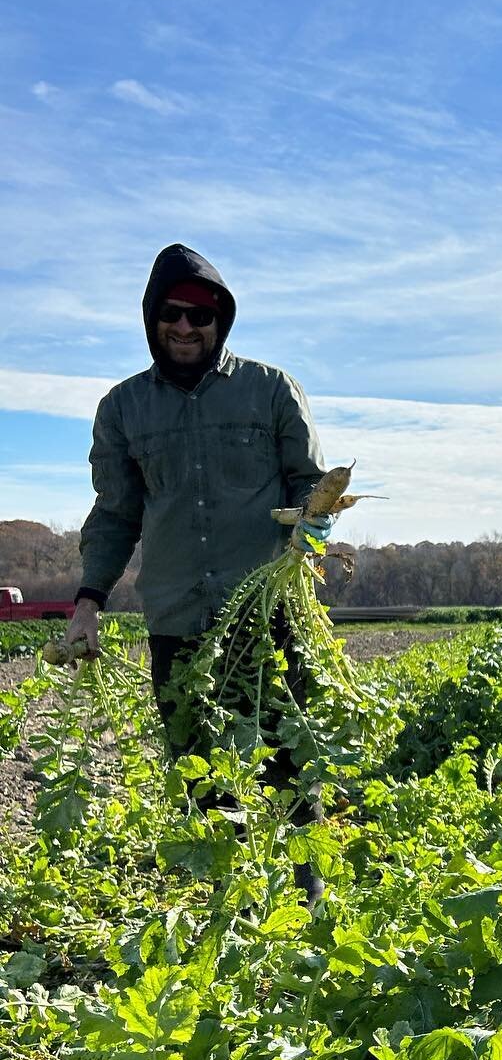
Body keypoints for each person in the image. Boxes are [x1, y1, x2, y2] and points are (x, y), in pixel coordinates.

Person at [65, 243, 330, 896]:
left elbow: (312, 487)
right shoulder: (124, 409)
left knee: (288, 761)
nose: (186, 327)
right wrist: (88, 599)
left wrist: (308, 546)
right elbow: (115, 513)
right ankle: (232, 908)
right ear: (153, 319)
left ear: (222, 322)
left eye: (201, 316)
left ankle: (310, 897)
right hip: (178, 619)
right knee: (203, 773)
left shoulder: (269, 389)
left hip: (263, 614)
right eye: (173, 314)